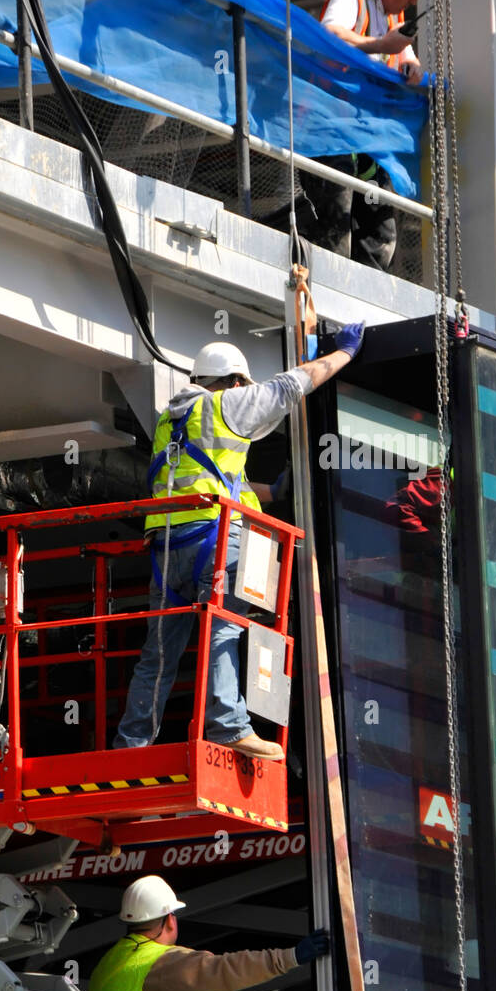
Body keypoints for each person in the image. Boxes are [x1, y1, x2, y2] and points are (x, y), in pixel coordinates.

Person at [114, 324, 365, 758]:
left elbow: (218, 480)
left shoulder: (171, 419)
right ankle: (230, 725)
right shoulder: (226, 403)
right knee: (224, 631)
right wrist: (344, 354)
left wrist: (274, 492)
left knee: (157, 655)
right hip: (214, 542)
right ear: (233, 381)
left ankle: (130, 745)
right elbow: (291, 386)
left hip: (167, 549)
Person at [298, 0, 434, 273]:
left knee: (380, 235)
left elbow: (402, 56)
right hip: (327, 133)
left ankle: (364, 312)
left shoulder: (393, 17)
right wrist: (379, 44)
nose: (415, 0)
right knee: (336, 228)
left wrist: (412, 66)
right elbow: (330, 34)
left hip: (368, 144)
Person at [85, 875, 329, 991]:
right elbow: (225, 969)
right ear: (170, 920)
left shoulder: (112, 961)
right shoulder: (162, 963)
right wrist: (291, 957)